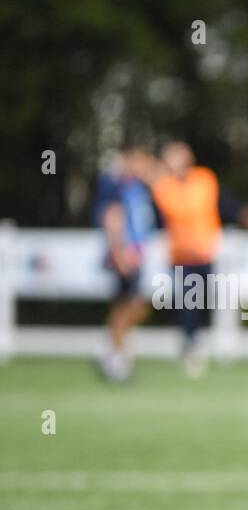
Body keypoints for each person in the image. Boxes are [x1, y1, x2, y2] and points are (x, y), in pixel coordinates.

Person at [150, 141, 248, 376]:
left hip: (208, 252)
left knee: (213, 301)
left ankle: (213, 347)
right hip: (182, 256)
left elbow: (227, 206)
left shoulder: (204, 180)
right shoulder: (163, 186)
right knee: (189, 303)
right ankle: (191, 348)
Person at [94, 147, 159, 383]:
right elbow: (112, 219)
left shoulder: (137, 188)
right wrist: (120, 253)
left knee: (131, 306)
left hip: (135, 256)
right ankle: (116, 359)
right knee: (127, 306)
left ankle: (114, 353)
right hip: (125, 256)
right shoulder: (119, 187)